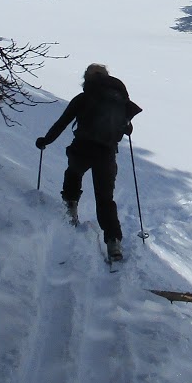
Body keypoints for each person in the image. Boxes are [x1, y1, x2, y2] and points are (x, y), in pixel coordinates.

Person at [35, 63, 141, 263]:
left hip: (82, 149)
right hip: (107, 154)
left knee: (73, 174)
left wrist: (45, 141)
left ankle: (71, 207)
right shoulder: (119, 100)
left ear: (87, 79)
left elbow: (62, 123)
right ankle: (113, 242)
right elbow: (127, 129)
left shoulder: (83, 98)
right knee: (105, 199)